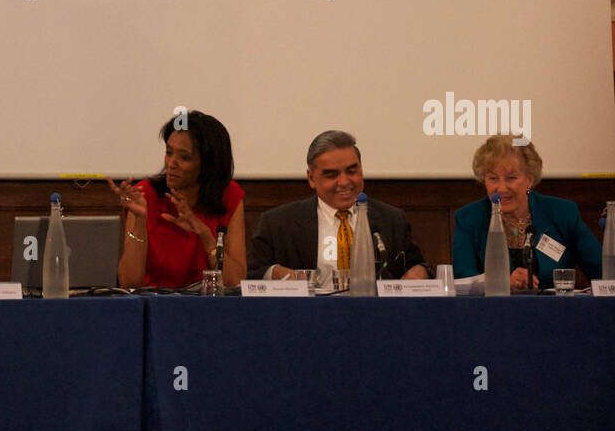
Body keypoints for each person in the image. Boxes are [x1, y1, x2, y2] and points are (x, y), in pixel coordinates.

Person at [247, 130, 429, 282]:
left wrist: (420, 271)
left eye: (352, 171)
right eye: (331, 175)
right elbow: (252, 274)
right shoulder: (277, 223)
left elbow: (417, 266)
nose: (344, 182)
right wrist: (274, 272)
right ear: (311, 178)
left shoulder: (392, 219)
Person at [108, 111, 245, 288]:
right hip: (156, 307)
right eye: (169, 152)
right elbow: (129, 282)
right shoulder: (144, 195)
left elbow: (235, 282)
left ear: (208, 165)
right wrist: (140, 221)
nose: (171, 163)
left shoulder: (229, 195)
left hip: (209, 308)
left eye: (184, 157)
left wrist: (204, 234)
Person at [452, 135, 602, 289]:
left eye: (511, 178)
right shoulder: (469, 218)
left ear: (529, 180)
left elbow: (603, 272)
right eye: (493, 178)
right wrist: (500, 283)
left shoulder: (562, 213)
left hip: (556, 311)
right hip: (493, 311)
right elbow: (463, 279)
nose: (501, 188)